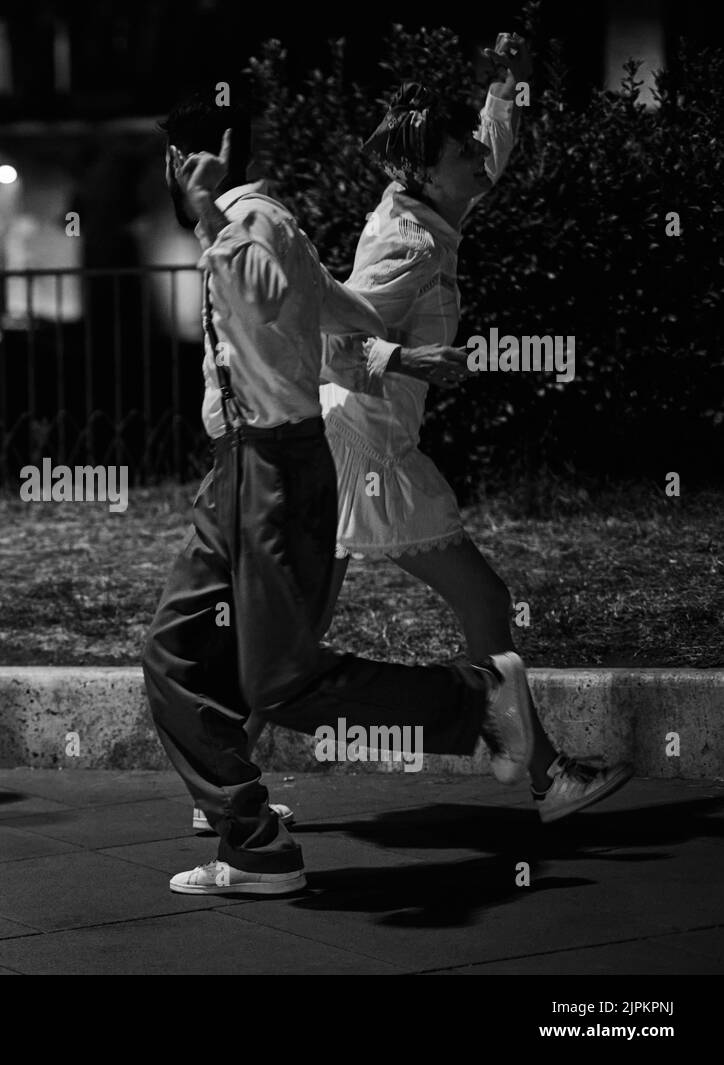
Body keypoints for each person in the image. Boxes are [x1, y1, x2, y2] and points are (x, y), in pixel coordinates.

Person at [143, 91, 536, 898]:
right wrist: (403, 359)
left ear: (189, 158)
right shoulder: (272, 222)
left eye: (167, 157)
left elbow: (257, 295)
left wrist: (205, 220)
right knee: (178, 652)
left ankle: (476, 697)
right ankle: (251, 835)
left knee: (279, 678)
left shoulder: (245, 227)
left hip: (272, 465)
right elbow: (334, 312)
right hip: (248, 467)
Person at [295, 35, 631, 823]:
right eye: (462, 154)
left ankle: (224, 789)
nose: (480, 162)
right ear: (422, 171)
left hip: (363, 440)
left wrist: (502, 85)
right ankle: (543, 773)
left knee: (296, 634)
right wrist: (413, 358)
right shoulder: (406, 241)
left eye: (473, 149)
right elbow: (337, 347)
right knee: (485, 596)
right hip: (365, 445)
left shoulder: (438, 206)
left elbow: (493, 152)